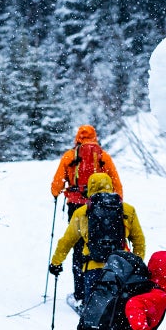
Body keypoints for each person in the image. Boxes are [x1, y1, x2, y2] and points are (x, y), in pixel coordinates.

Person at [50, 125, 123, 306]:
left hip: (76, 206)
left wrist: (55, 192)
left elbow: (57, 184)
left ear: (77, 138)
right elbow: (116, 182)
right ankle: (103, 290)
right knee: (102, 246)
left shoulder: (70, 156)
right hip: (103, 207)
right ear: (95, 137)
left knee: (78, 247)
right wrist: (118, 205)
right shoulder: (103, 157)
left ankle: (81, 293)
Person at [48, 172, 144, 307]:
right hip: (119, 268)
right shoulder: (127, 210)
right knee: (118, 310)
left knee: (93, 312)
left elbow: (67, 241)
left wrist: (56, 263)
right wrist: (136, 265)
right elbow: (139, 241)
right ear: (110, 186)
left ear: (90, 188)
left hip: (93, 268)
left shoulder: (82, 212)